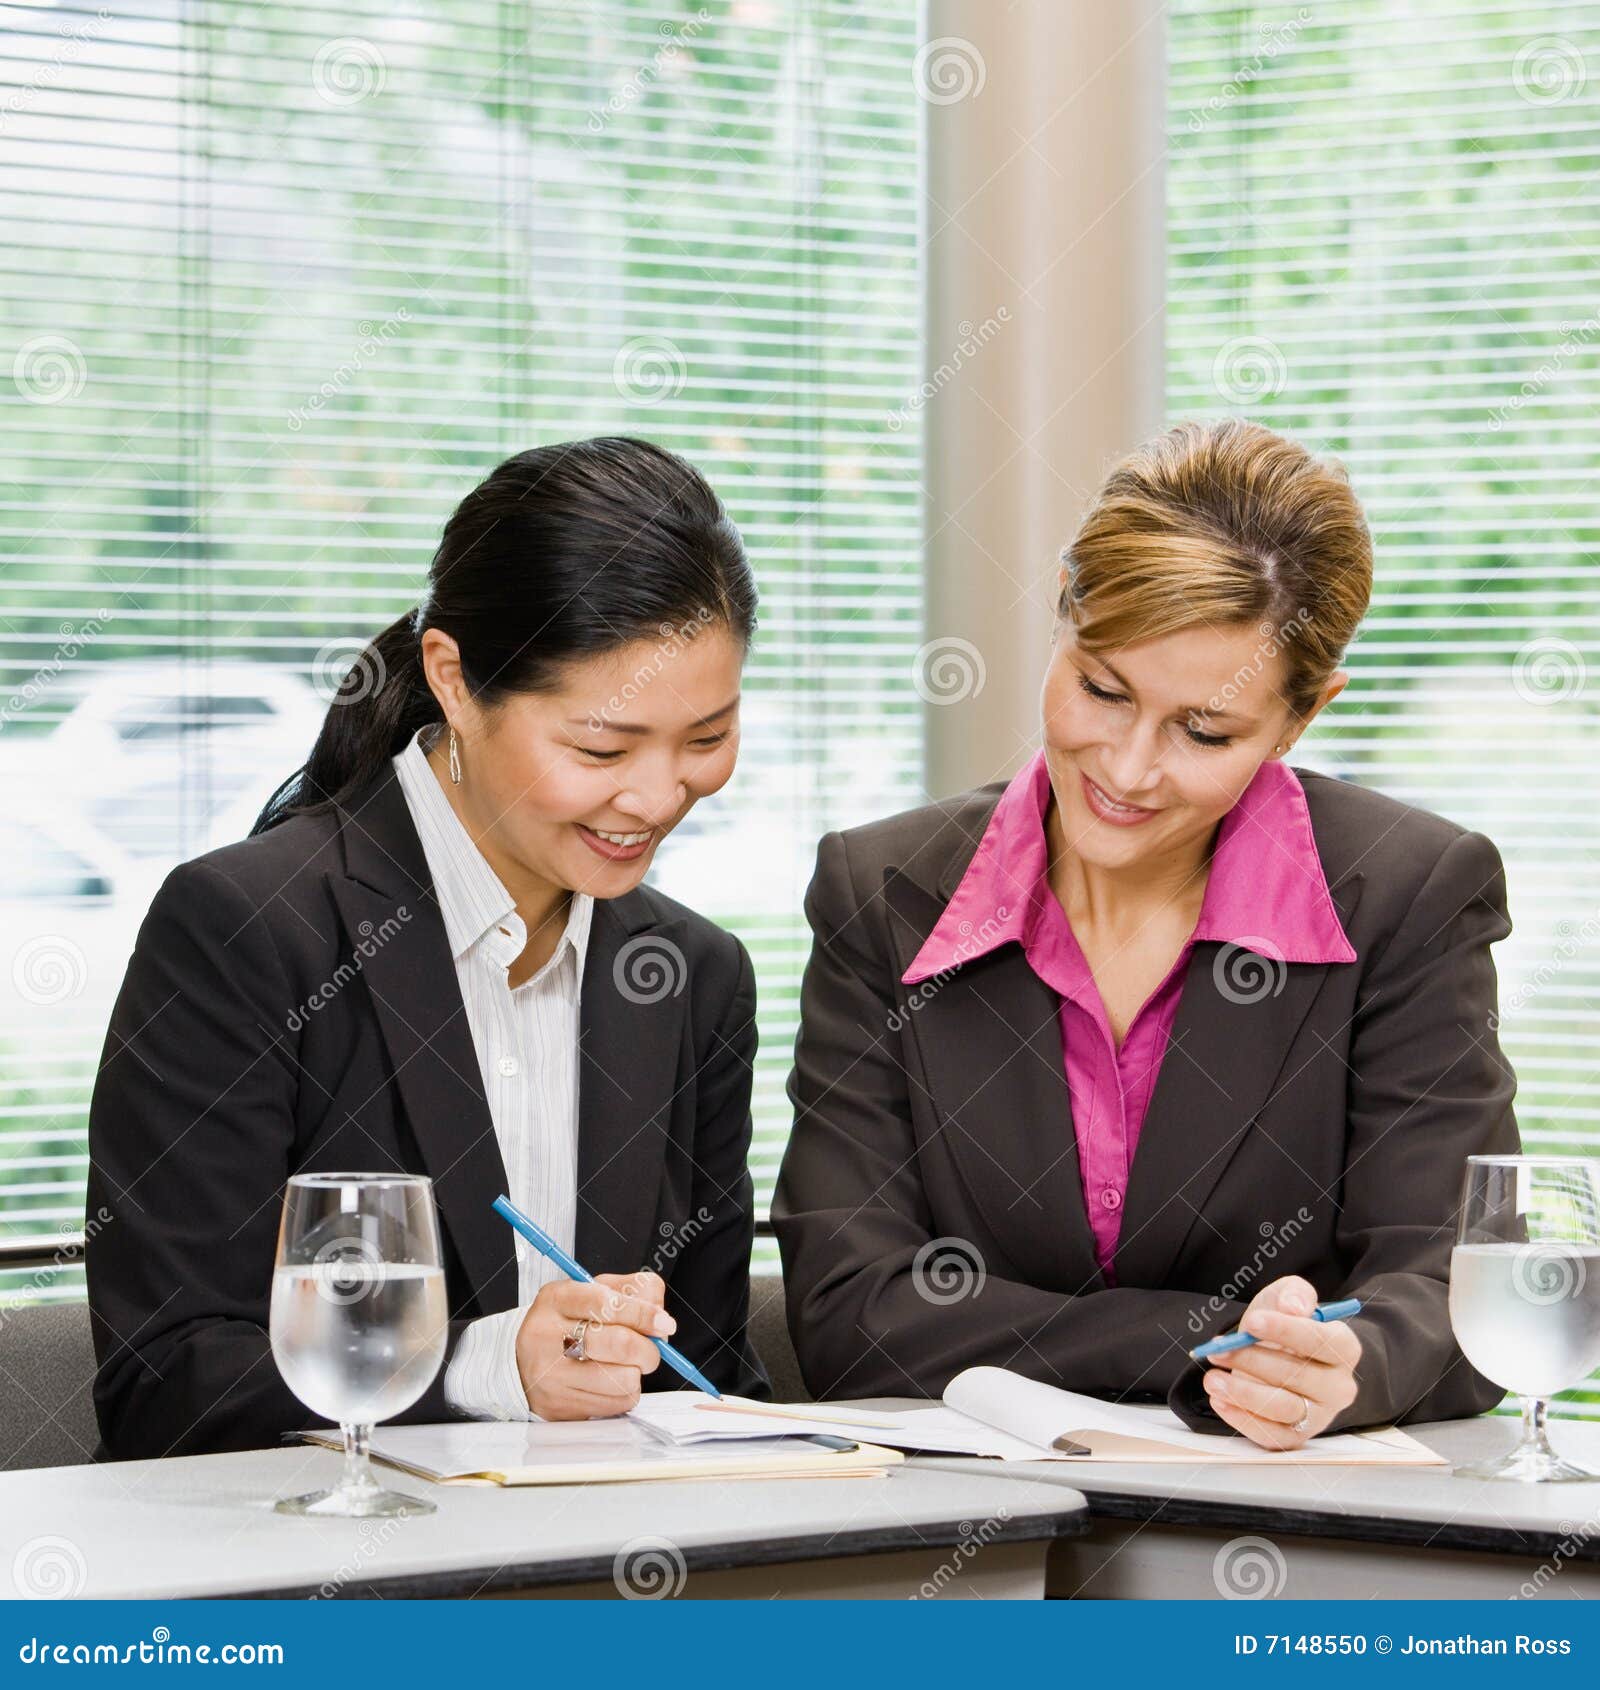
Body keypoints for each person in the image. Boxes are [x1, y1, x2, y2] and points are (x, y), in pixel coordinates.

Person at [774, 418, 1517, 1449]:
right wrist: (1210, 1341)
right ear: (1061, 623)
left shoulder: (1406, 896)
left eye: (1203, 732)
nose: (1124, 770)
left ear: (1301, 719)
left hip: (1300, 1521)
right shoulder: (881, 892)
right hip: (962, 1527)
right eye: (1100, 689)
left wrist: (1343, 1367)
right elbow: (850, 1314)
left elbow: (1446, 1285)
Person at [87, 437, 769, 1459]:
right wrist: (488, 1368)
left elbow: (704, 1367)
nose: (659, 795)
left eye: (706, 738)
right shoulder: (246, 931)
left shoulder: (692, 977)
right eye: (601, 748)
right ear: (453, 677)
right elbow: (168, 1380)